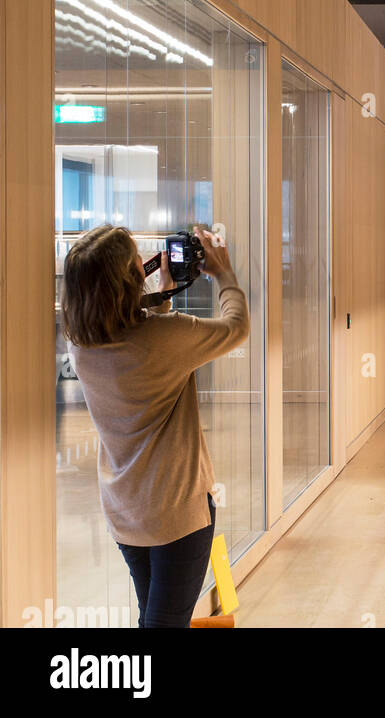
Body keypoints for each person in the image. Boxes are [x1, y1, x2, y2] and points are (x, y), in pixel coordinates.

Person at [61, 223, 249, 628]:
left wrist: (159, 291)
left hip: (126, 514)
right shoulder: (168, 335)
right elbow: (237, 328)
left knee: (154, 616)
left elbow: (133, 333)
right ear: (131, 278)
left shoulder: (81, 347)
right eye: (136, 261)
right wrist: (225, 274)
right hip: (177, 515)